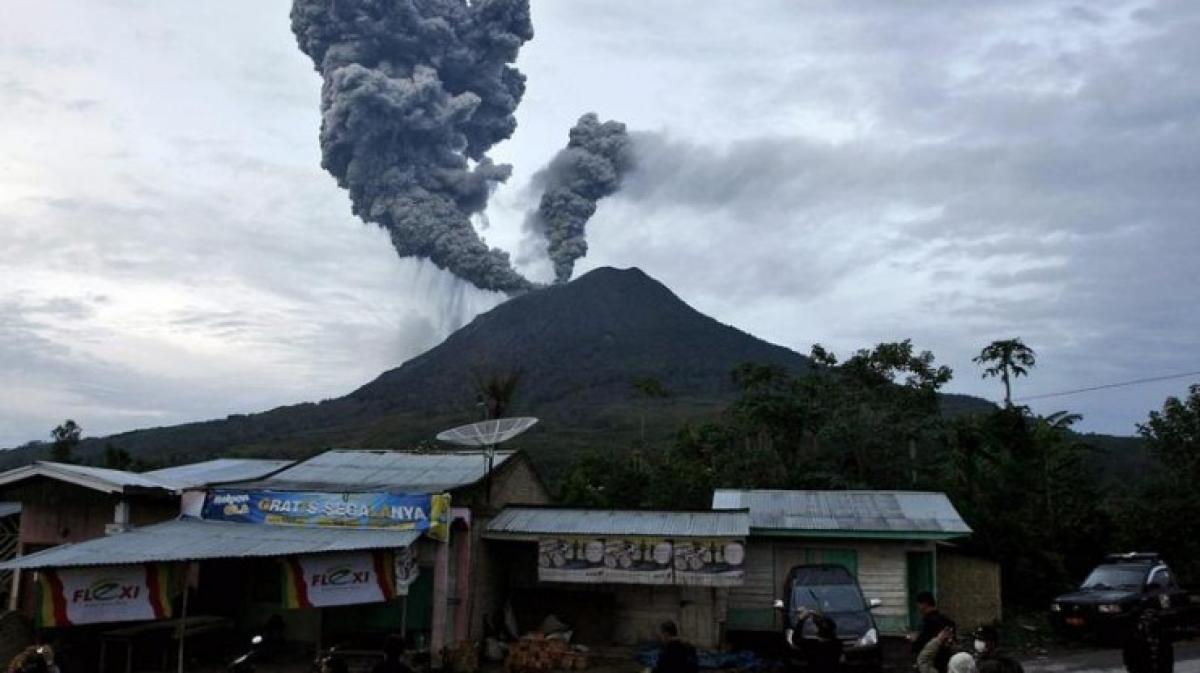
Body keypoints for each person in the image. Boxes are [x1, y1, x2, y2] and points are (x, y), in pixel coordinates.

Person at [1122, 607, 1174, 673]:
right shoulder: (1133, 639)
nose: (1149, 623)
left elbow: (1168, 659)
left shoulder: (1163, 638)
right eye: (1145, 620)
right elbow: (1129, 658)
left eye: (1152, 619)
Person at [911, 592, 954, 658]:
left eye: (919, 604)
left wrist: (915, 640)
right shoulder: (948, 621)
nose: (918, 608)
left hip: (931, 660)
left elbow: (921, 645)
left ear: (924, 604)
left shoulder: (926, 623)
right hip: (946, 659)